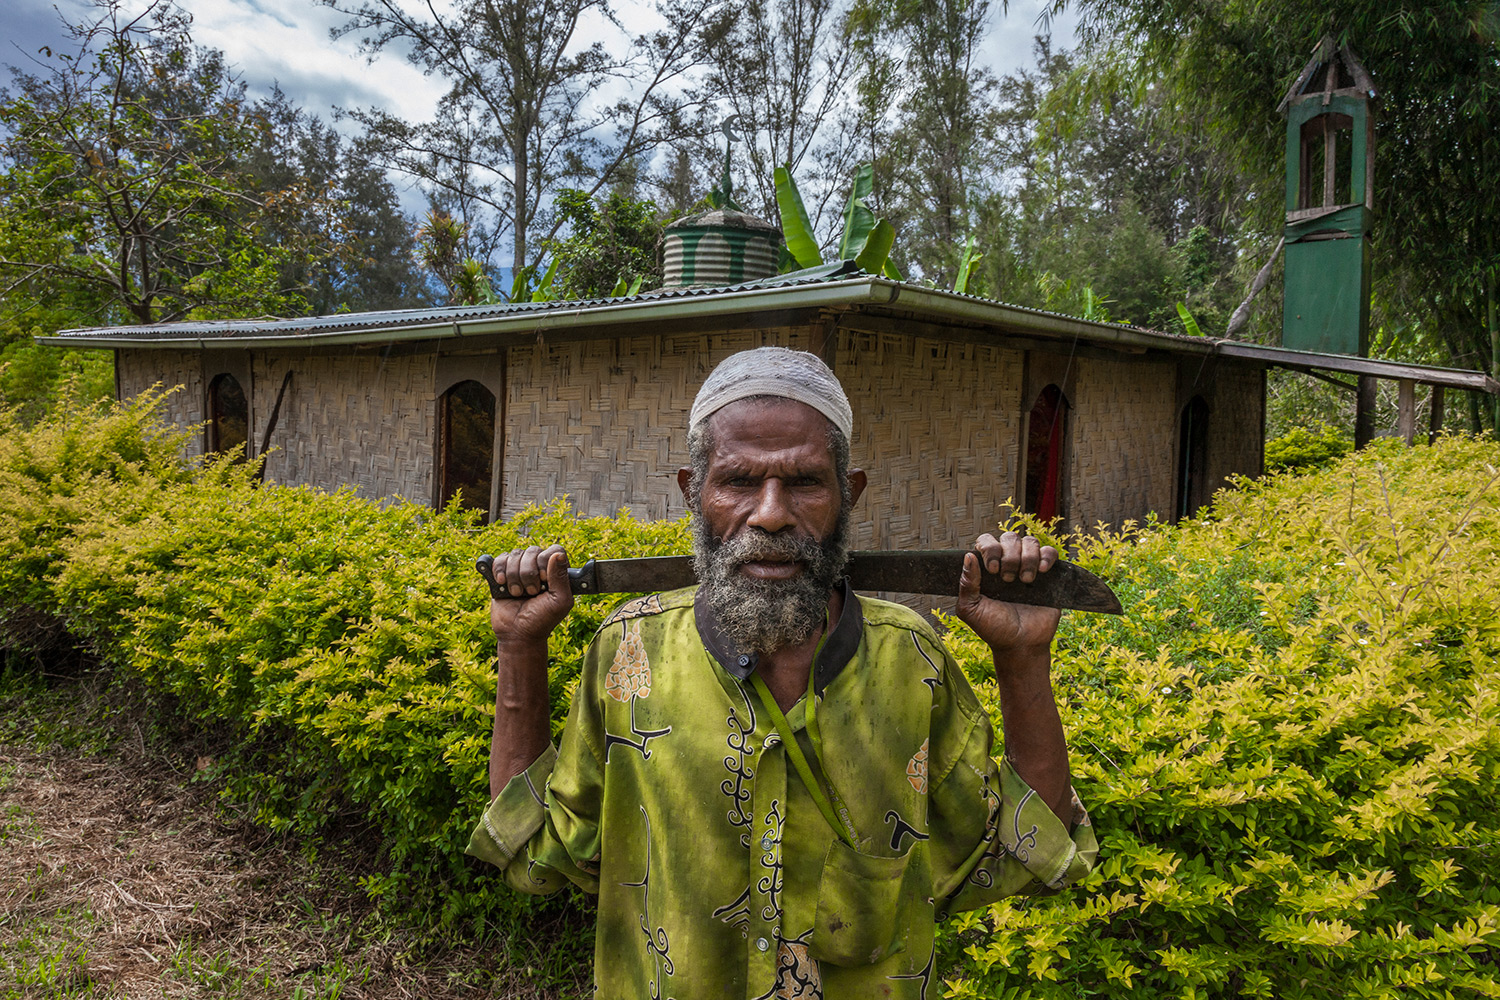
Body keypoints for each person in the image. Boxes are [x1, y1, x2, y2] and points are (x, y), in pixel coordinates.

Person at [468, 347, 1096, 999]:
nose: (770, 513)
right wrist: (519, 648)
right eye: (739, 481)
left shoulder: (911, 658)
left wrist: (1023, 660)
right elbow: (537, 849)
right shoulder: (631, 649)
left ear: (847, 495)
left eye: (803, 482)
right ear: (694, 492)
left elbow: (1025, 849)